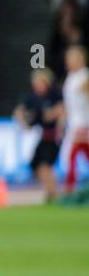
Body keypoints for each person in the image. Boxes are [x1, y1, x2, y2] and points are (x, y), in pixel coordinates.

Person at [13, 68, 63, 203]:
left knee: (45, 165)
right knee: (36, 165)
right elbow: (19, 111)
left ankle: (52, 193)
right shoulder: (34, 97)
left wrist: (54, 115)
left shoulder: (54, 94)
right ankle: (51, 192)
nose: (37, 85)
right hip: (43, 136)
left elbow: (62, 109)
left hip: (53, 137)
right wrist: (23, 121)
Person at [62, 46, 89, 193]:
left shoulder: (85, 77)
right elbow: (69, 104)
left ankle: (69, 188)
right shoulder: (71, 78)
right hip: (73, 123)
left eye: (71, 59)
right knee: (77, 155)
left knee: (71, 155)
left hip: (83, 123)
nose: (69, 62)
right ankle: (70, 187)